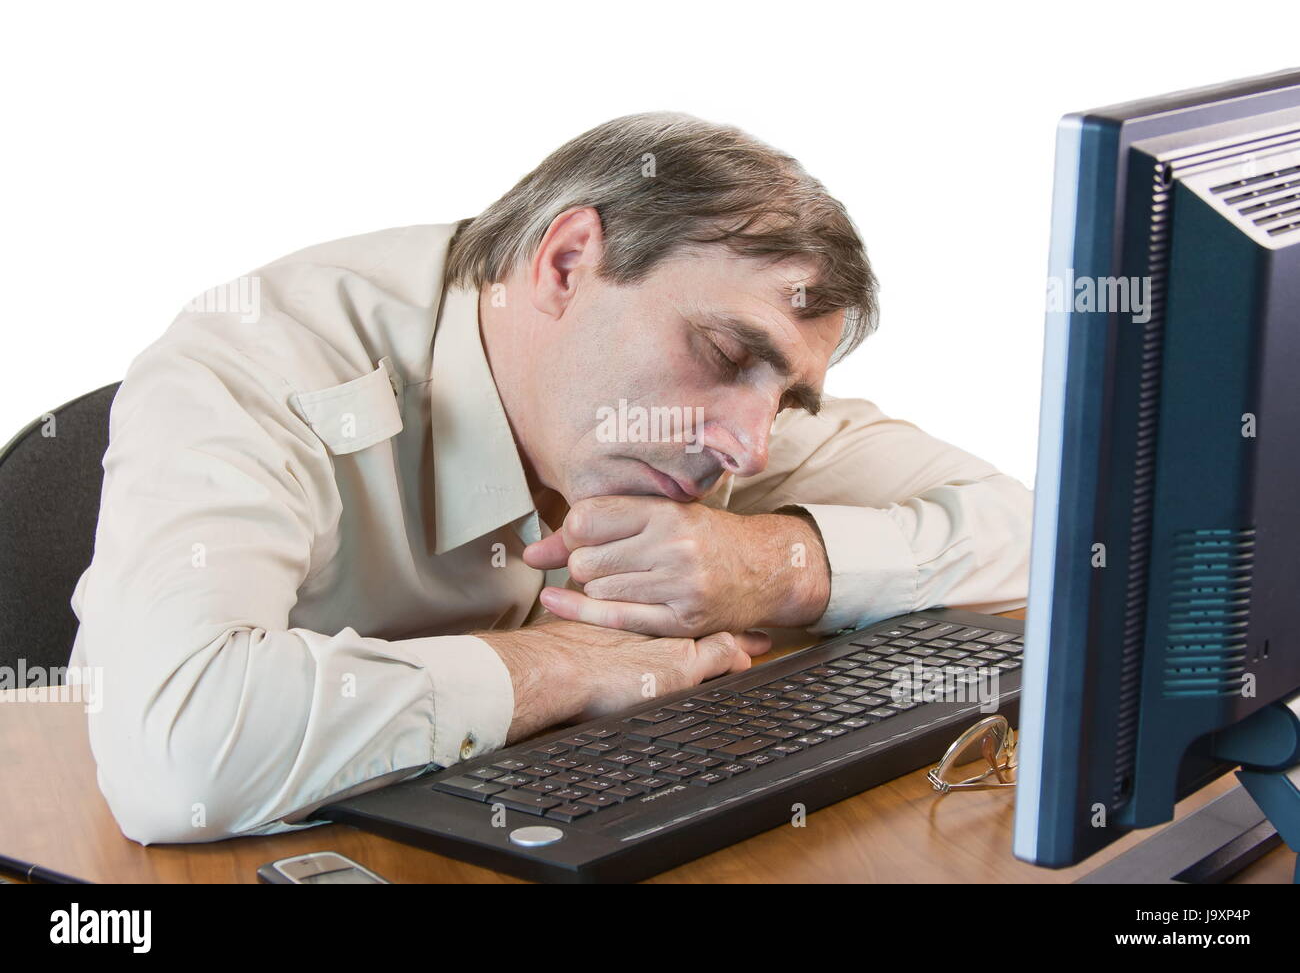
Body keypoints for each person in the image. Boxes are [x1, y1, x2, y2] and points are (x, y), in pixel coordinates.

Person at [69, 112, 1032, 844]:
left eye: (785, 397)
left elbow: (1039, 531)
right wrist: (567, 667)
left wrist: (781, 564)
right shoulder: (255, 365)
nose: (749, 445)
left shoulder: (727, 426)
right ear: (567, 263)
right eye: (727, 351)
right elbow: (176, 748)